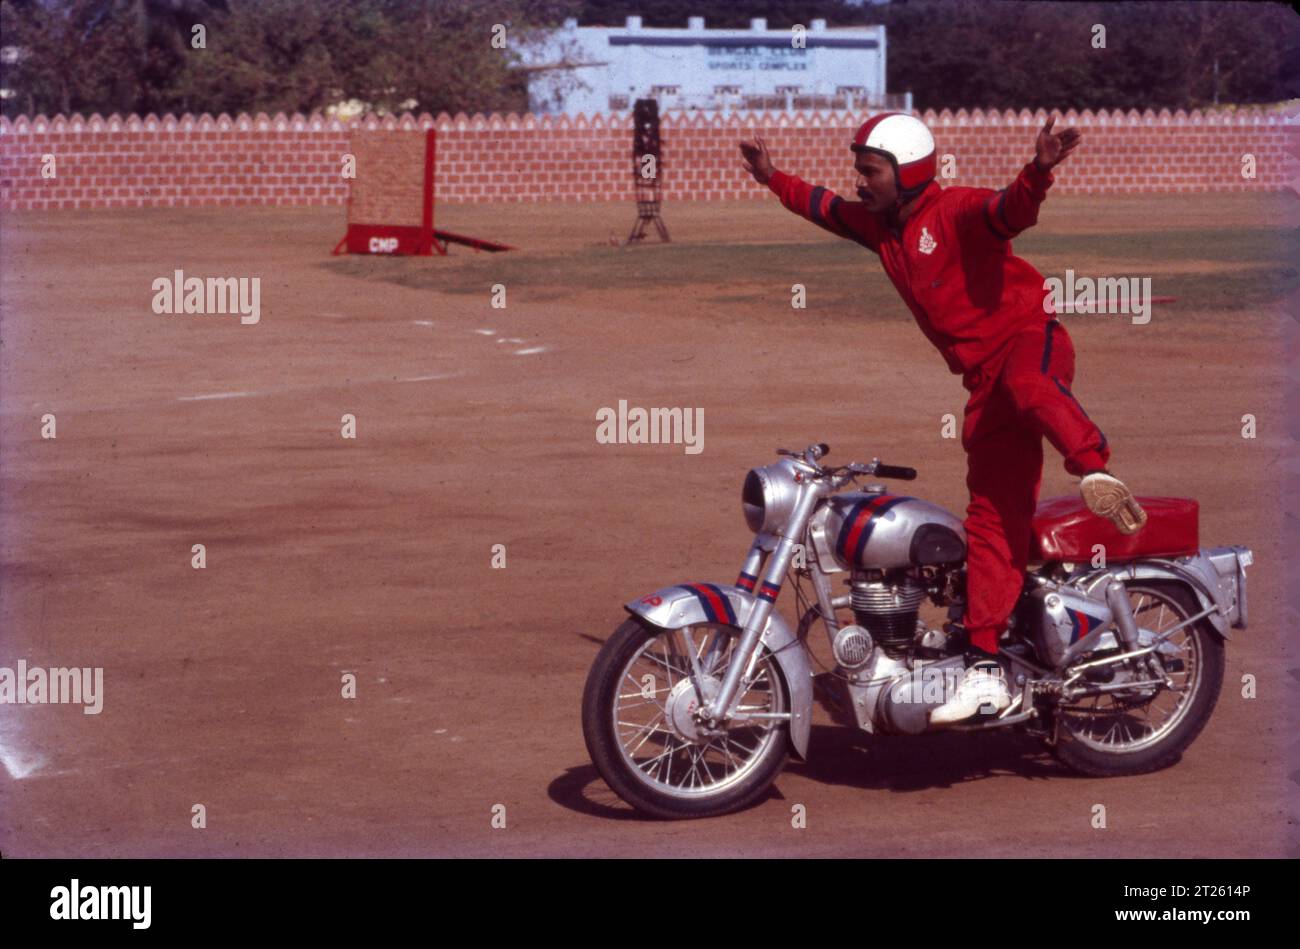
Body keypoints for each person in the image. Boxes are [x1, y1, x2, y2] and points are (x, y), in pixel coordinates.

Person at [738, 112, 1147, 724]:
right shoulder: (881, 228)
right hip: (982, 384)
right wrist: (771, 177)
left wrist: (1037, 172)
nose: (858, 182)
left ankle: (1095, 470)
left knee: (1032, 386)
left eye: (869, 171)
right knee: (991, 517)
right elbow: (820, 206)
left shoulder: (953, 210)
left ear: (907, 173)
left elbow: (1009, 212)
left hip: (1028, 337)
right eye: (859, 170)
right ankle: (985, 665)